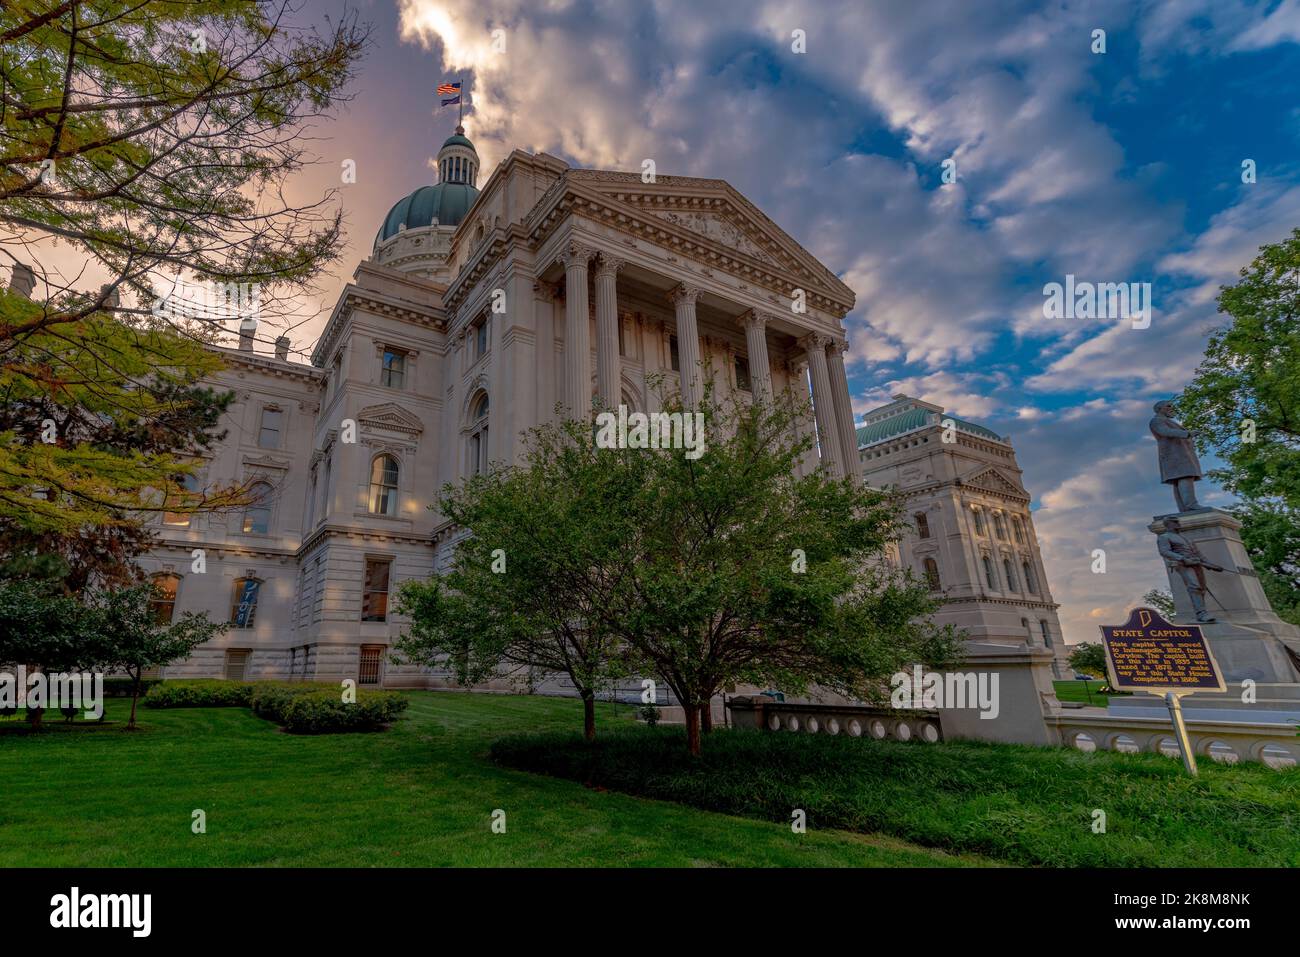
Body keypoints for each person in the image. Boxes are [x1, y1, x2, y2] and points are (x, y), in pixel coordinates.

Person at [1156, 516, 1223, 623]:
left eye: (1177, 522)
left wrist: (1210, 565)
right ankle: (1201, 613)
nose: (1178, 524)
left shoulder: (1186, 538)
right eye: (1175, 522)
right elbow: (1164, 551)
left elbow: (1197, 553)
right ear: (1168, 524)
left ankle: (1202, 611)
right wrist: (1183, 559)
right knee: (1194, 586)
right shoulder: (1164, 537)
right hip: (1183, 564)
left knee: (1201, 588)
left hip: (1196, 563)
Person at [1149, 400, 1204, 512]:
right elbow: (1165, 431)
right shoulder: (1156, 421)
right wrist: (1187, 433)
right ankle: (1191, 504)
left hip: (1180, 453)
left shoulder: (1165, 421)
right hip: (1174, 455)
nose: (1171, 408)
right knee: (1185, 476)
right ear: (1159, 409)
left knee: (1181, 478)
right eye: (1168, 406)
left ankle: (1186, 507)